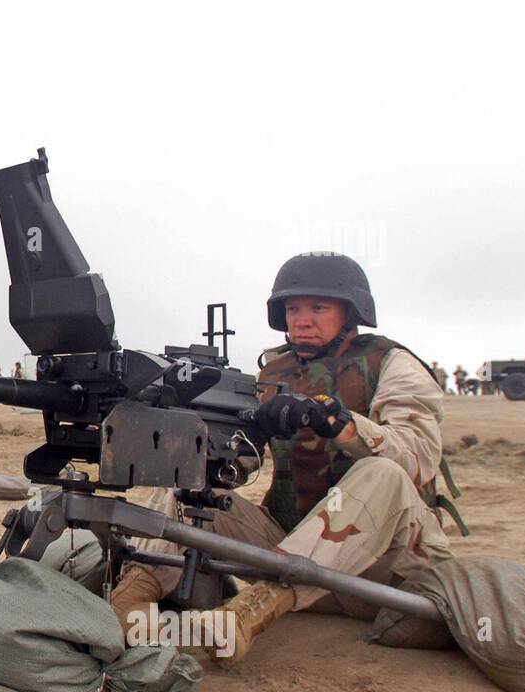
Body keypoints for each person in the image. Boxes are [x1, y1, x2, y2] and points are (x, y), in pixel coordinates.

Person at [110, 252, 455, 665]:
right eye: (293, 309)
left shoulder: (393, 364)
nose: (302, 319)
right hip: (303, 566)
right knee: (193, 485)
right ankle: (125, 605)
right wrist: (209, 447)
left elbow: (417, 459)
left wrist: (342, 426)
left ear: (350, 311)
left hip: (389, 572)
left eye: (318, 308)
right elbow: (241, 463)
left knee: (382, 472)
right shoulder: (275, 373)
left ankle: (245, 616)